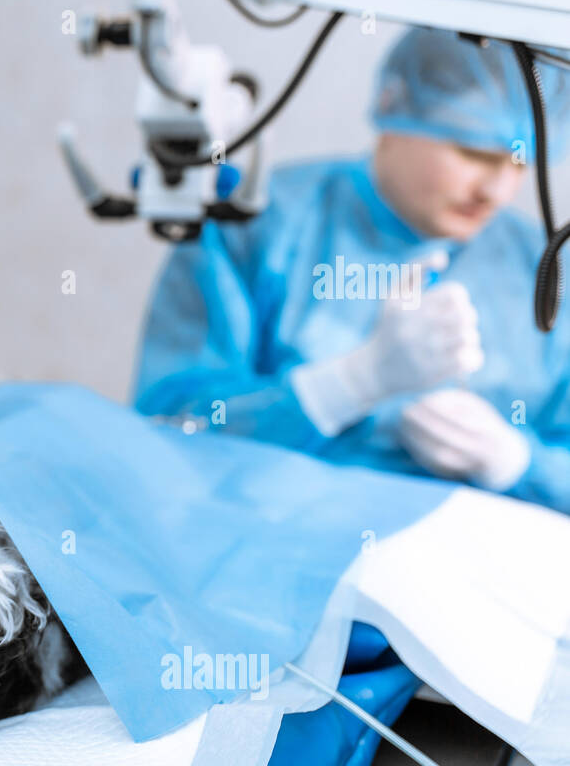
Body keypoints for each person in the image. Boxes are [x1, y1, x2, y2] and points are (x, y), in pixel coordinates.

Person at [134, 27, 570, 512]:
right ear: (397, 110)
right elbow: (168, 431)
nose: (498, 191)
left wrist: (518, 463)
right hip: (267, 558)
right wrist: (346, 386)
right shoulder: (257, 227)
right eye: (474, 154)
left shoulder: (548, 269)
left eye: (519, 164)